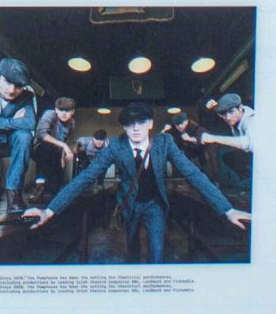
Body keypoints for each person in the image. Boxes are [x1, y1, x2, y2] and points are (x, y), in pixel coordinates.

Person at [23, 102, 251, 264]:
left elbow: (194, 174)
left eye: (141, 122)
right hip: (128, 205)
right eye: (129, 124)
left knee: (157, 253)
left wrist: (227, 209)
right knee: (132, 247)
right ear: (123, 127)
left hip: (155, 205)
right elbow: (85, 177)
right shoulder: (115, 146)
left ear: (151, 123)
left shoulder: (165, 143)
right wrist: (50, 210)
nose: (135, 128)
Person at [0, 56, 39, 214]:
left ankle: (14, 197)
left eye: (18, 86)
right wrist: (12, 121)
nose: (12, 90)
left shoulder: (27, 96)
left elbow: (30, 123)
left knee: (24, 136)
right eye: (8, 82)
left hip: (8, 144)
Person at [33, 94, 78, 192]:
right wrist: (64, 146)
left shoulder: (72, 123)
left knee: (57, 180)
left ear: (73, 112)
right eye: (61, 110)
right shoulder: (50, 114)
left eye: (67, 110)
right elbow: (41, 134)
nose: (64, 113)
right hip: (40, 149)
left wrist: (62, 157)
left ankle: (53, 191)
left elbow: (64, 140)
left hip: (57, 151)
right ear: (56, 110)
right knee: (47, 152)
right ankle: (39, 189)